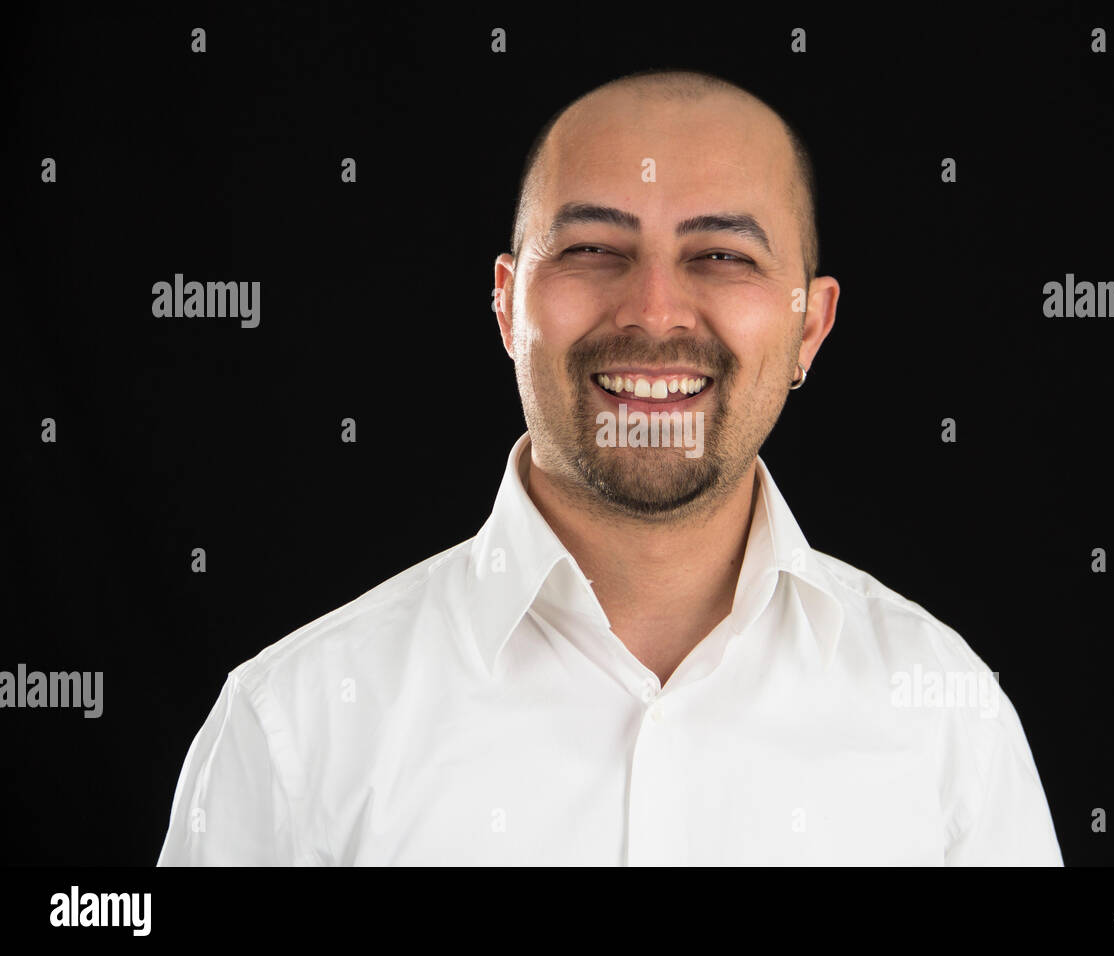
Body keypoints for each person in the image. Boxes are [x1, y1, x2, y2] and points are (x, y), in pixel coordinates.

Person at [157, 67, 1063, 865]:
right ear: (508, 307)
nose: (655, 311)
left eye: (721, 255)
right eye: (593, 249)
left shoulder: (949, 721)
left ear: (809, 329)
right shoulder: (293, 725)